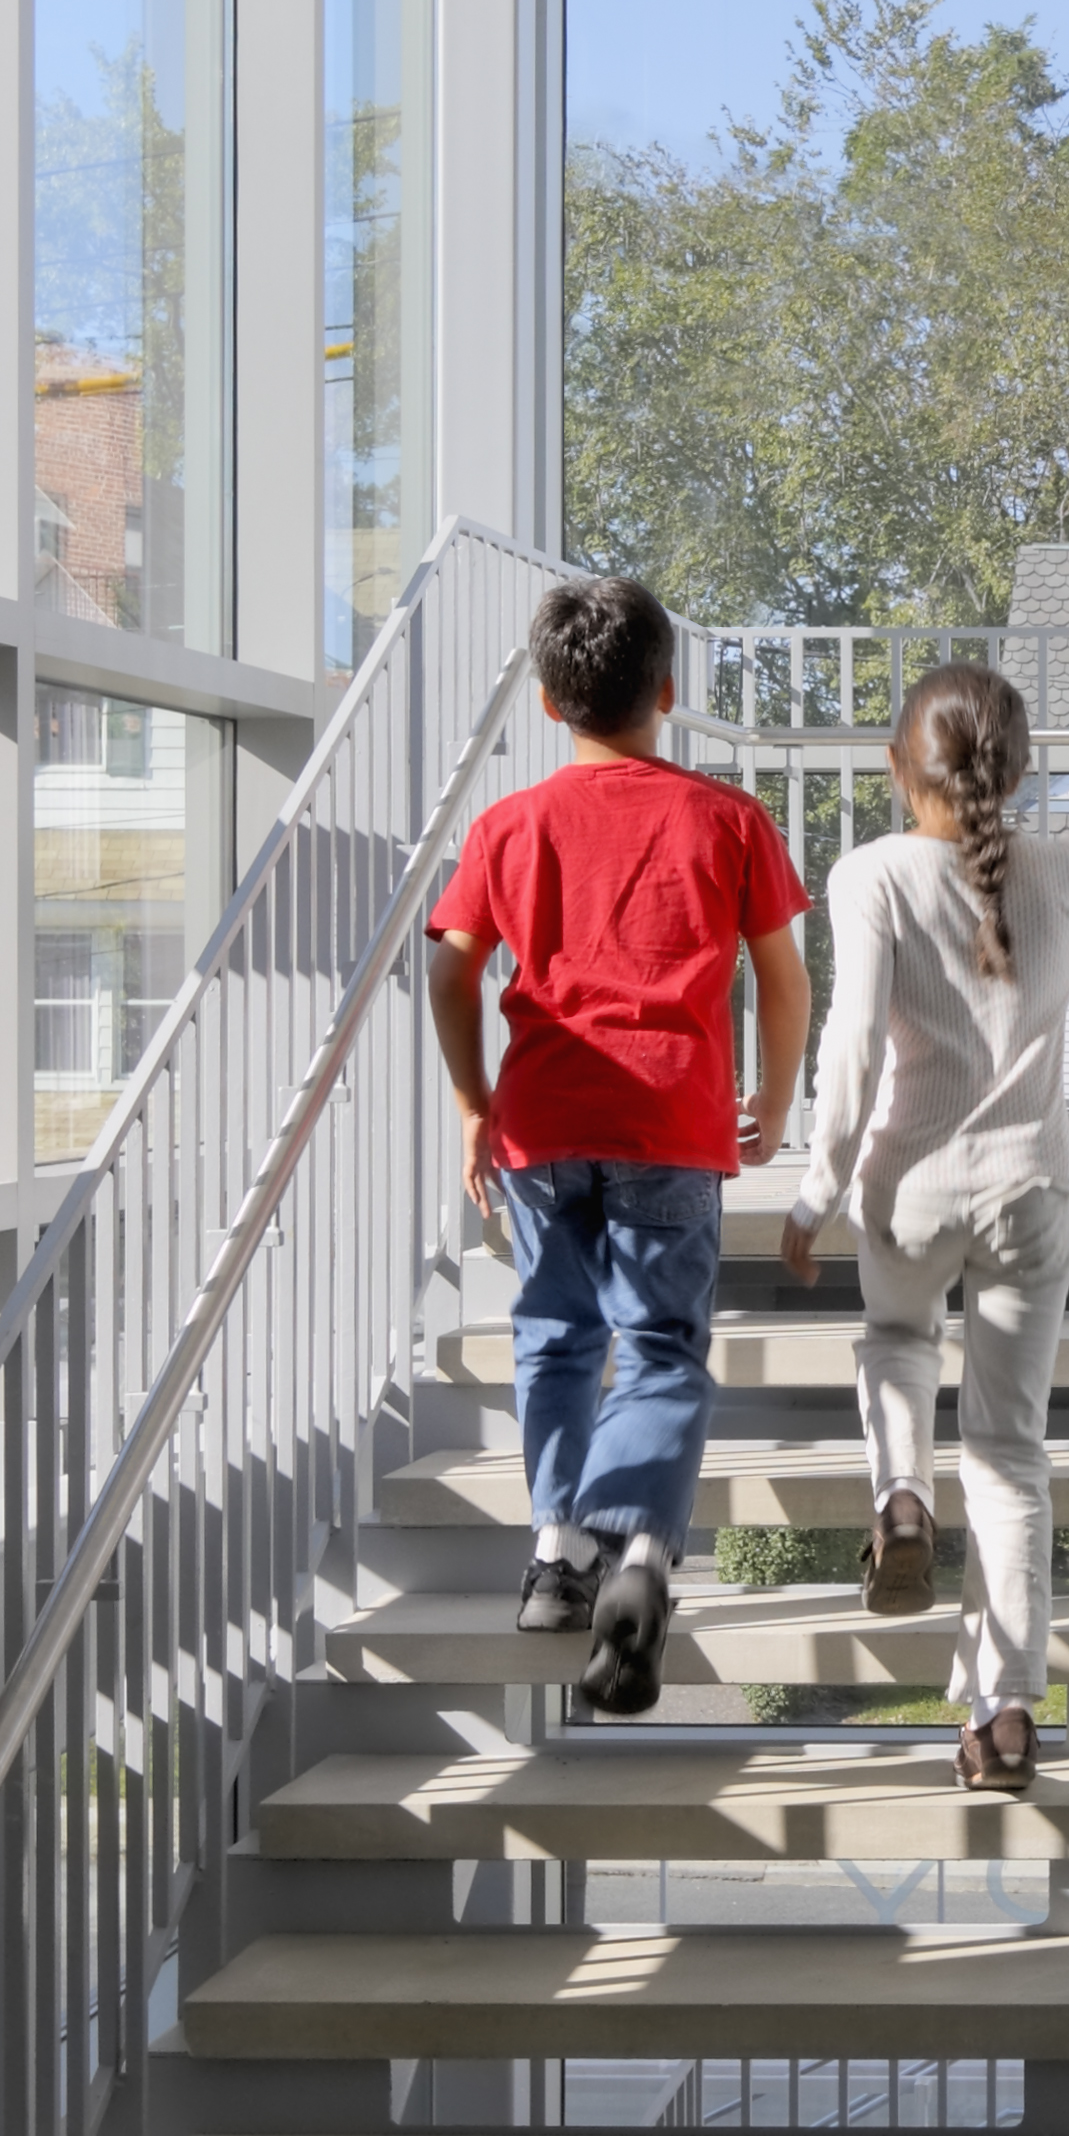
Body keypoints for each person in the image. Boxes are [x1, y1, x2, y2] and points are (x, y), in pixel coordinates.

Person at [780, 663, 1069, 1789]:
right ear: (1021, 771)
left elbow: (851, 1053)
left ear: (897, 767)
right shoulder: (1066, 867)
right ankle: (1007, 1714)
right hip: (1031, 1193)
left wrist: (812, 1192)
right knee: (1011, 1456)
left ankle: (898, 1495)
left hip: (906, 1189)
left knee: (893, 1345)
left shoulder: (870, 872)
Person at [427, 573, 813, 1716]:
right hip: (670, 1121)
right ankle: (639, 1553)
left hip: (543, 1120)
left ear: (550, 704)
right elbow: (783, 978)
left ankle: (555, 1555)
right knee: (657, 1347)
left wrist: (471, 1101)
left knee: (552, 1336)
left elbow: (450, 964)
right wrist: (775, 1098)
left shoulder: (507, 826)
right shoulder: (727, 819)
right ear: (668, 689)